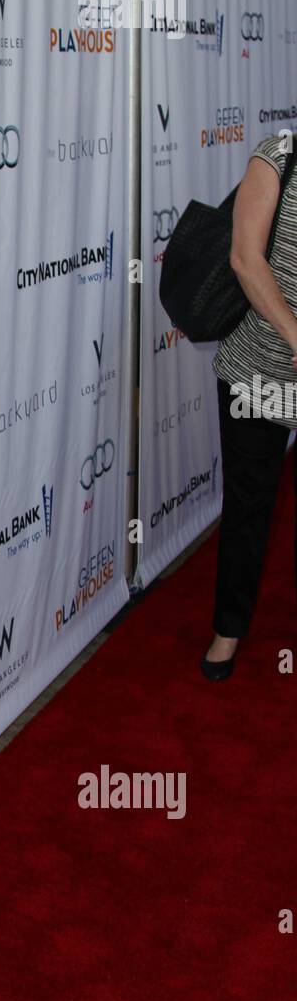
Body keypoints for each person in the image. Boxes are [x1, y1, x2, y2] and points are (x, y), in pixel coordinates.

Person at [204, 131, 297, 680]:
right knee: (248, 509)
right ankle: (228, 630)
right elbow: (245, 258)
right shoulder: (279, 153)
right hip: (259, 373)